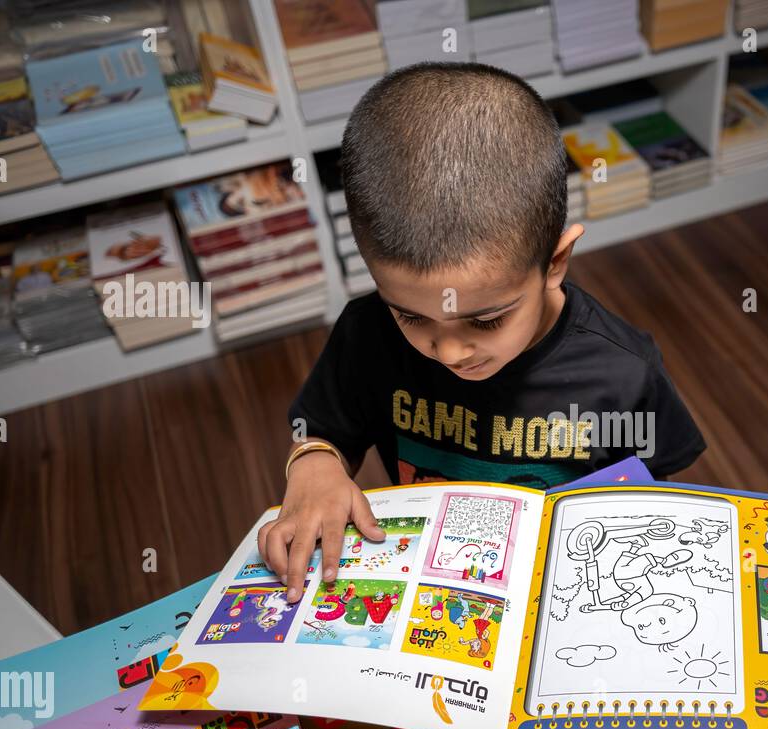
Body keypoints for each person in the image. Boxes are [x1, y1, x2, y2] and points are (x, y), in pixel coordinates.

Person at [260, 64, 705, 601]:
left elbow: (653, 487)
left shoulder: (622, 369)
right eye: (411, 315)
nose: (449, 350)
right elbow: (323, 428)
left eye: (488, 319)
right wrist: (313, 463)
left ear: (556, 262)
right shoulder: (365, 335)